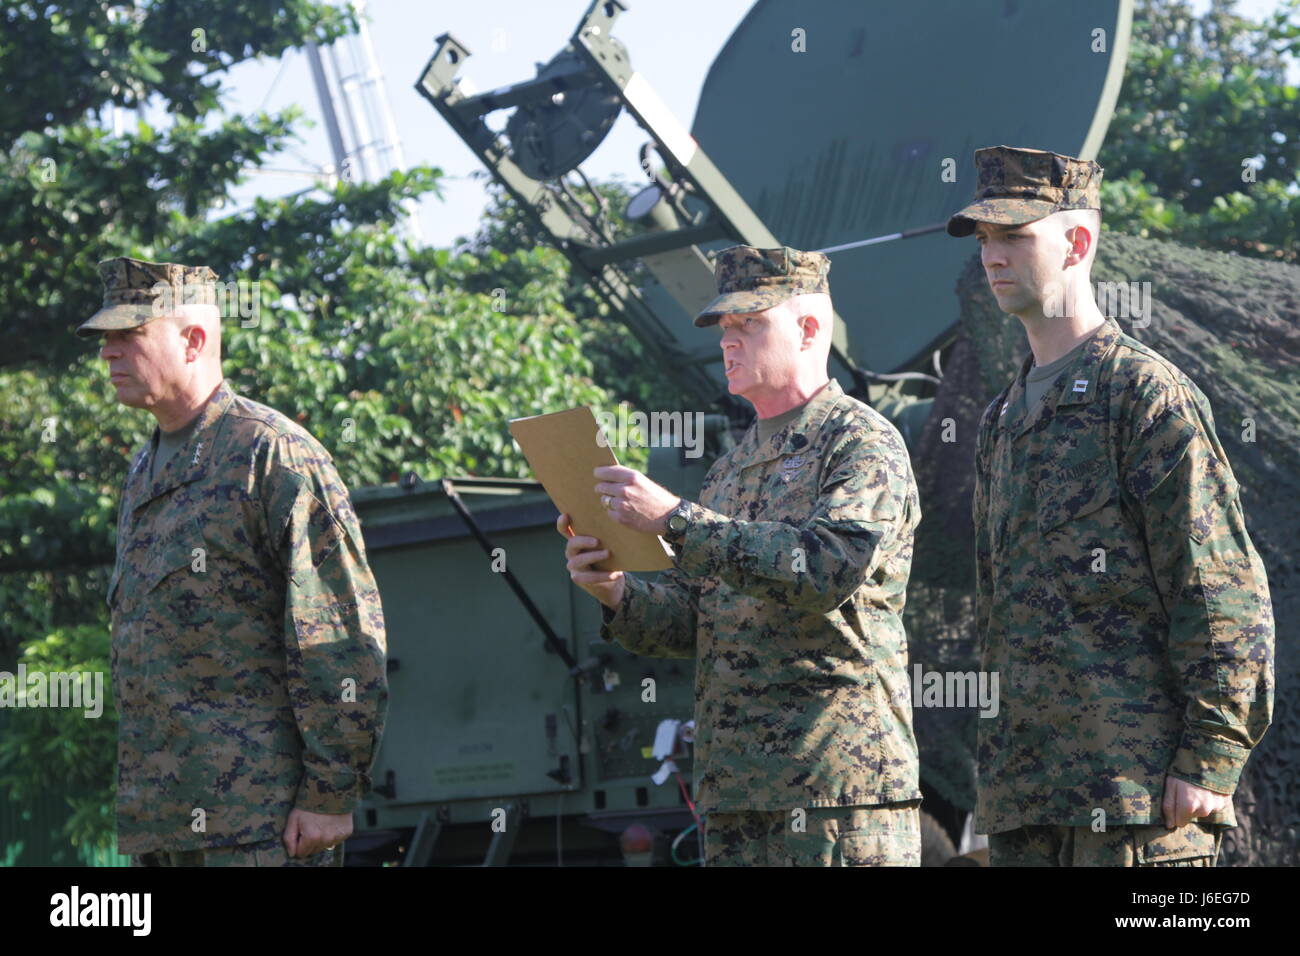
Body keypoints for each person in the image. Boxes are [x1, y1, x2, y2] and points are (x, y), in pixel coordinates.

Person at [949, 145, 1274, 866]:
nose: (992, 257)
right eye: (985, 240)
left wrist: (1209, 758)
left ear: (1078, 242)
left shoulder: (1143, 396)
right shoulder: (1002, 419)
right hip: (1028, 804)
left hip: (1137, 804)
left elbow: (1221, 592)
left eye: (1014, 236)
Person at [557, 245, 922, 866]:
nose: (728, 342)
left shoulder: (860, 440)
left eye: (749, 324)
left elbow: (826, 568)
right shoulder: (730, 466)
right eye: (724, 328)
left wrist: (675, 518)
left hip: (837, 788)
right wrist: (615, 589)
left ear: (809, 329)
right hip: (739, 795)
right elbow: (701, 622)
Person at [77, 257, 388, 867]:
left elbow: (340, 634)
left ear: (193, 340)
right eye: (104, 339)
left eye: (129, 335)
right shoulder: (143, 472)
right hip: (163, 826)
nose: (109, 353)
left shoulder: (272, 455)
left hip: (258, 829)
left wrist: (330, 795)